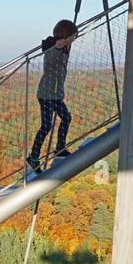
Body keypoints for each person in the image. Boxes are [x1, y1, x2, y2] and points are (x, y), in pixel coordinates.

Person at [26, 19, 79, 174]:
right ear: (64, 38)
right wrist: (60, 42)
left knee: (66, 118)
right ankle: (34, 157)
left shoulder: (63, 50)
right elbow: (50, 45)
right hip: (47, 95)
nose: (72, 42)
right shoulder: (52, 48)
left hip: (55, 95)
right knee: (46, 126)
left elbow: (61, 45)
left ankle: (59, 148)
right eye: (71, 39)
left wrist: (68, 40)